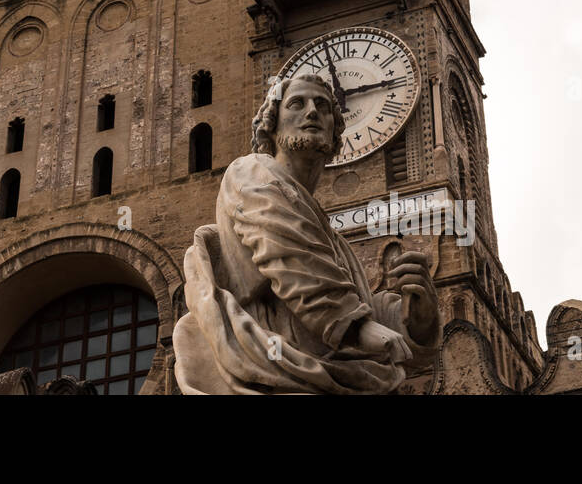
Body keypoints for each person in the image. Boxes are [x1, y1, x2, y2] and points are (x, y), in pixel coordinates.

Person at [173, 73, 440, 394]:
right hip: (278, 374)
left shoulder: (334, 241)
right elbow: (285, 253)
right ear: (272, 125)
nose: (312, 111)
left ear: (334, 130)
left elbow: (366, 308)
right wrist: (354, 326)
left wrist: (416, 317)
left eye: (323, 106)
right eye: (297, 104)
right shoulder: (251, 172)